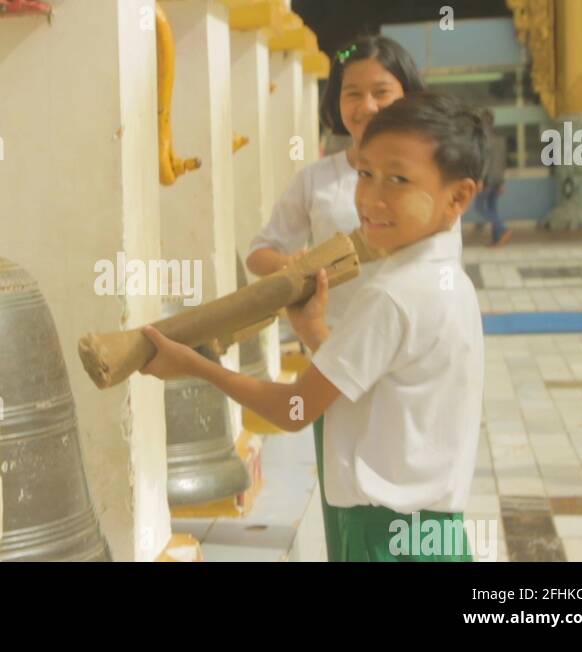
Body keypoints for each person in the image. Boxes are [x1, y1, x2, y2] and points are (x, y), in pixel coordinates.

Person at [141, 93, 486, 561]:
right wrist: (313, 329)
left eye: (399, 180)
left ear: (459, 196)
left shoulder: (393, 295)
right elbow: (369, 387)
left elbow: (295, 409)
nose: (372, 197)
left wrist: (196, 367)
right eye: (365, 174)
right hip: (433, 536)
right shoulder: (447, 282)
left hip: (385, 539)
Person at [245, 35, 426, 562]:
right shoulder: (318, 180)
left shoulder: (426, 173)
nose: (366, 106)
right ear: (337, 102)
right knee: (344, 502)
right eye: (352, 93)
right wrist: (302, 273)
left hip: (403, 368)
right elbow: (261, 251)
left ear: (407, 95)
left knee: (404, 504)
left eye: (381, 92)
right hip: (331, 362)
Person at [474, 109, 511, 247]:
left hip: (487, 180)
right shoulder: (499, 139)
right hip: (497, 180)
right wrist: (502, 182)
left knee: (479, 207)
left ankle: (502, 229)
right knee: (492, 208)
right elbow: (503, 162)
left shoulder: (484, 140)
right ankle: (497, 240)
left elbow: (485, 161)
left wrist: (481, 179)